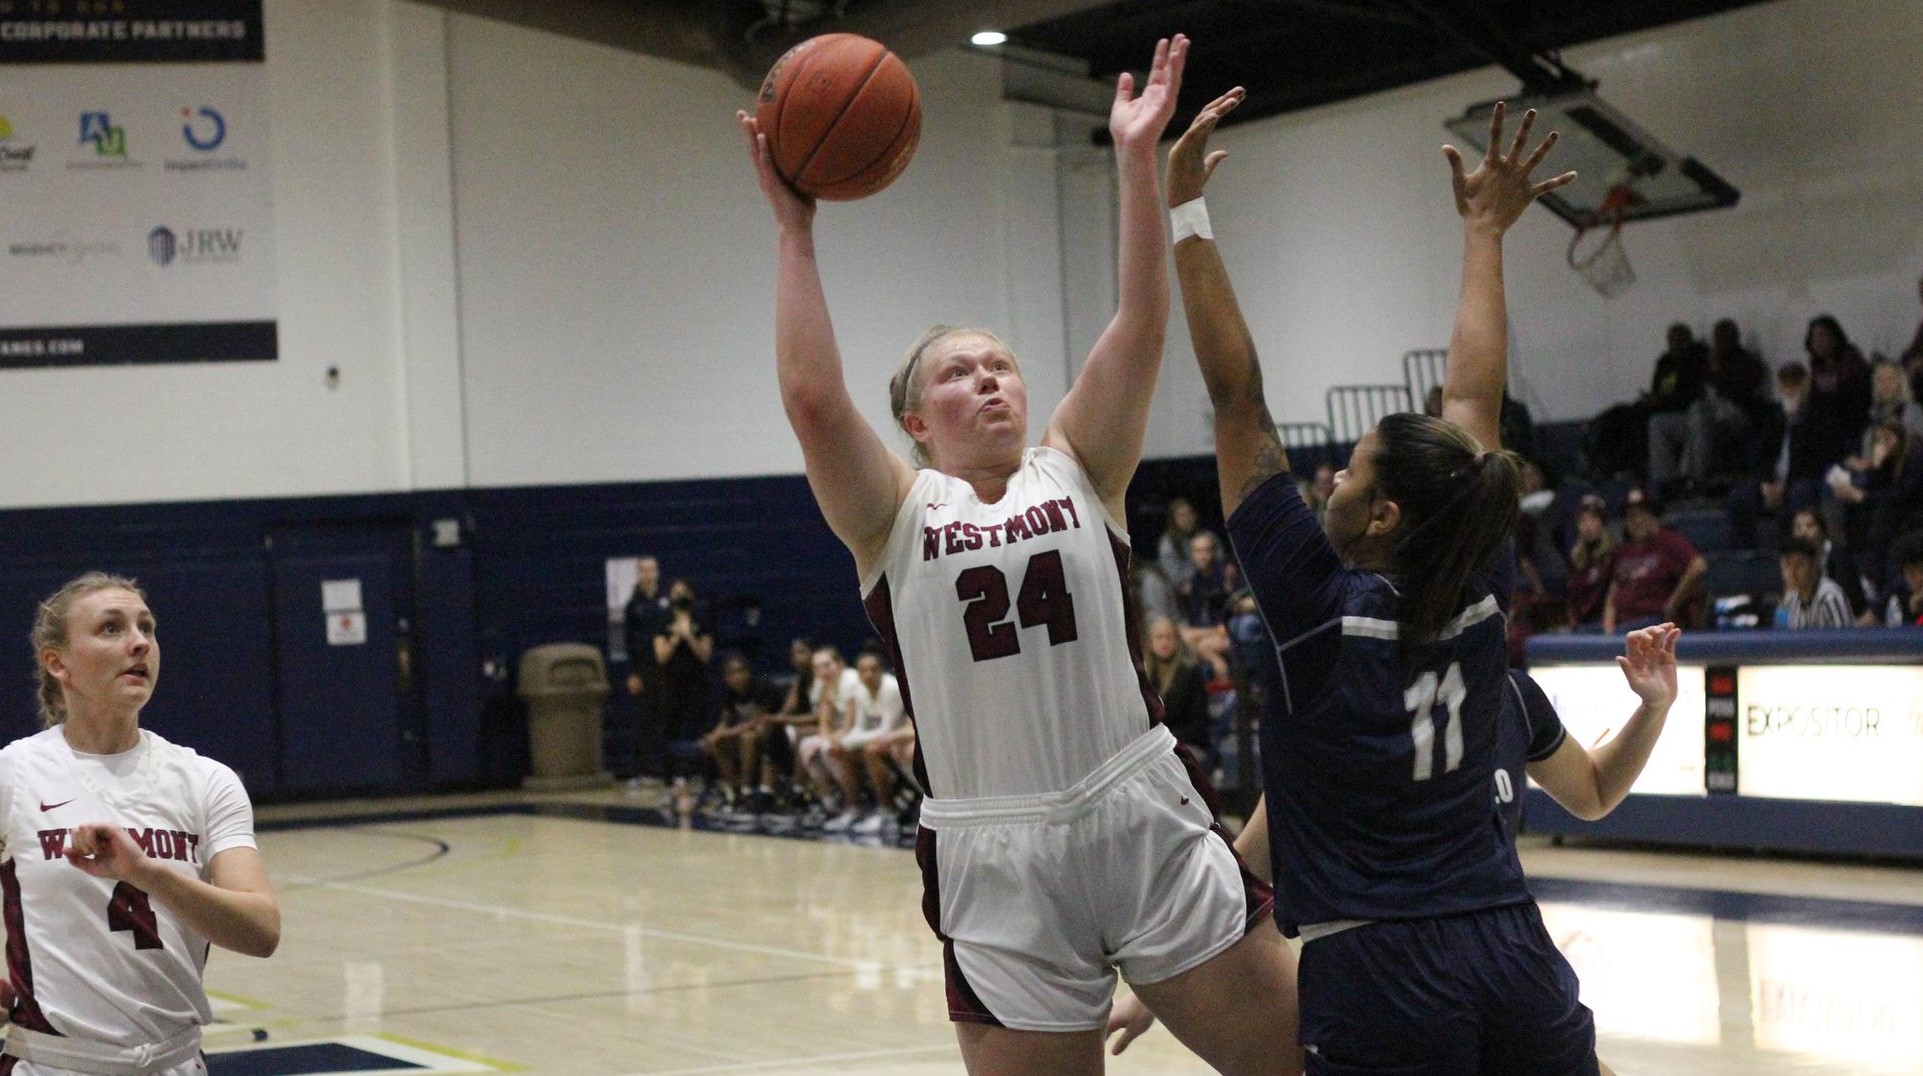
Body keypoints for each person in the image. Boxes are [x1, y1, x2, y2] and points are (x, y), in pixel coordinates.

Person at [740, 36, 1298, 1076]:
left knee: (1310, 1059)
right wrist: (795, 231)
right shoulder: (893, 514)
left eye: (1002, 364)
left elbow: (1139, 322)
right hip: (993, 852)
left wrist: (1136, 160)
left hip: (1140, 808)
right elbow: (815, 402)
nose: (991, 379)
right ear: (915, 418)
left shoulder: (1081, 464)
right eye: (960, 372)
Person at [1170, 87, 1593, 1072]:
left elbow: (1238, 396)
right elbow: (1474, 395)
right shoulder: (1478, 572)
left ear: (1385, 513)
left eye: (1351, 469)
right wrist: (1485, 230)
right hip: (1510, 940)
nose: (1332, 477)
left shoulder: (1315, 608)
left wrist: (1185, 212)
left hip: (1380, 962)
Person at [1107, 626, 1680, 1076]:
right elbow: (1244, 874)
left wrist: (1652, 708)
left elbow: (1595, 791)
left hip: (1503, 967)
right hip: (1383, 985)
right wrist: (1157, 994)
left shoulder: (1507, 695)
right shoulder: (1341, 710)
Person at [1, 572, 279, 1074]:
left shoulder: (204, 779)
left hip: (175, 1061)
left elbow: (261, 932)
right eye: (111, 628)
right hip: (55, 1064)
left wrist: (146, 872)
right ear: (57, 662)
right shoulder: (14, 774)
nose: (138, 643)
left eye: (146, 629)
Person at [1603, 489, 1706, 633]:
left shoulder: (1670, 541)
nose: (1637, 521)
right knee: (1581, 636)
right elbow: (1613, 594)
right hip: (1624, 622)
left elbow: (1698, 566)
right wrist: (1608, 629)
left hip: (1656, 620)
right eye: (1631, 516)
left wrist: (1672, 604)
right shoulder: (1624, 551)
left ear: (1654, 516)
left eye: (1642, 514)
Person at [700, 652, 783, 812]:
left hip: (773, 735)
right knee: (716, 742)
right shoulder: (729, 693)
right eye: (732, 673)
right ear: (726, 677)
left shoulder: (763, 686)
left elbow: (757, 721)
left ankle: (747, 791)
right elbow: (725, 721)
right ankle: (735, 789)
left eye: (741, 671)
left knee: (748, 738)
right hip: (744, 734)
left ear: (748, 672)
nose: (737, 676)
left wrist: (723, 733)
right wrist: (714, 735)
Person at [652, 578, 714, 788]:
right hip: (671, 681)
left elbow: (705, 655)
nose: (679, 596)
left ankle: (697, 773)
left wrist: (689, 637)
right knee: (670, 726)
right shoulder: (663, 620)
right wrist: (676, 637)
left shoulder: (701, 619)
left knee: (697, 725)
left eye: (683, 592)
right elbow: (661, 657)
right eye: (675, 592)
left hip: (696, 681)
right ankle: (670, 775)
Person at [622, 556, 670, 780]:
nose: (649, 574)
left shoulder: (666, 601)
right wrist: (633, 672)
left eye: (652, 569)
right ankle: (643, 767)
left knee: (666, 715)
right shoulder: (633, 606)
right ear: (639, 574)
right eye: (644, 570)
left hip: (666, 667)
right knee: (644, 719)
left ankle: (668, 764)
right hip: (644, 668)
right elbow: (629, 642)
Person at [1143, 615, 1212, 760]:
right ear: (1150, 642)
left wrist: (1162, 739)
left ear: (1177, 641)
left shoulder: (1190, 673)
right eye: (1159, 637)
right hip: (1150, 746)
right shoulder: (1143, 676)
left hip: (1183, 743)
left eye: (1169, 637)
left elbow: (1198, 727)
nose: (1164, 642)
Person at [1786, 509, 1870, 624]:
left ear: (1822, 530)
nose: (1803, 532)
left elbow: (1854, 601)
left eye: (1809, 526)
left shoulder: (1839, 557)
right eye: (1798, 527)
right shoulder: (1796, 597)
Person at [1775, 536, 1853, 629]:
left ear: (1814, 566)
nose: (1792, 572)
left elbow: (1845, 641)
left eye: (1799, 565)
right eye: (1787, 564)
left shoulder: (1830, 596)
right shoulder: (1793, 599)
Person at [1563, 494, 1616, 631]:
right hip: (1579, 626)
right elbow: (1571, 599)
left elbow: (1613, 597)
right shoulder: (1576, 558)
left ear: (1603, 523)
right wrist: (1573, 623)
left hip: (1604, 626)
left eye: (1593, 519)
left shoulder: (1614, 554)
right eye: (1583, 521)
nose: (1588, 526)